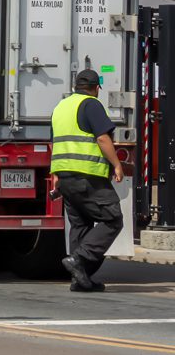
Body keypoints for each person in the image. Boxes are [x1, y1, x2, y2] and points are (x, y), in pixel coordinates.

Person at [51, 68, 125, 292]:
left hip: (65, 177)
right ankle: (80, 259)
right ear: (96, 88)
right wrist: (117, 164)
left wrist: (54, 174)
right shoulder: (91, 104)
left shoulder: (61, 107)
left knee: (81, 224)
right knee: (113, 219)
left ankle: (80, 279)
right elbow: (102, 138)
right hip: (88, 176)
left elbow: (55, 143)